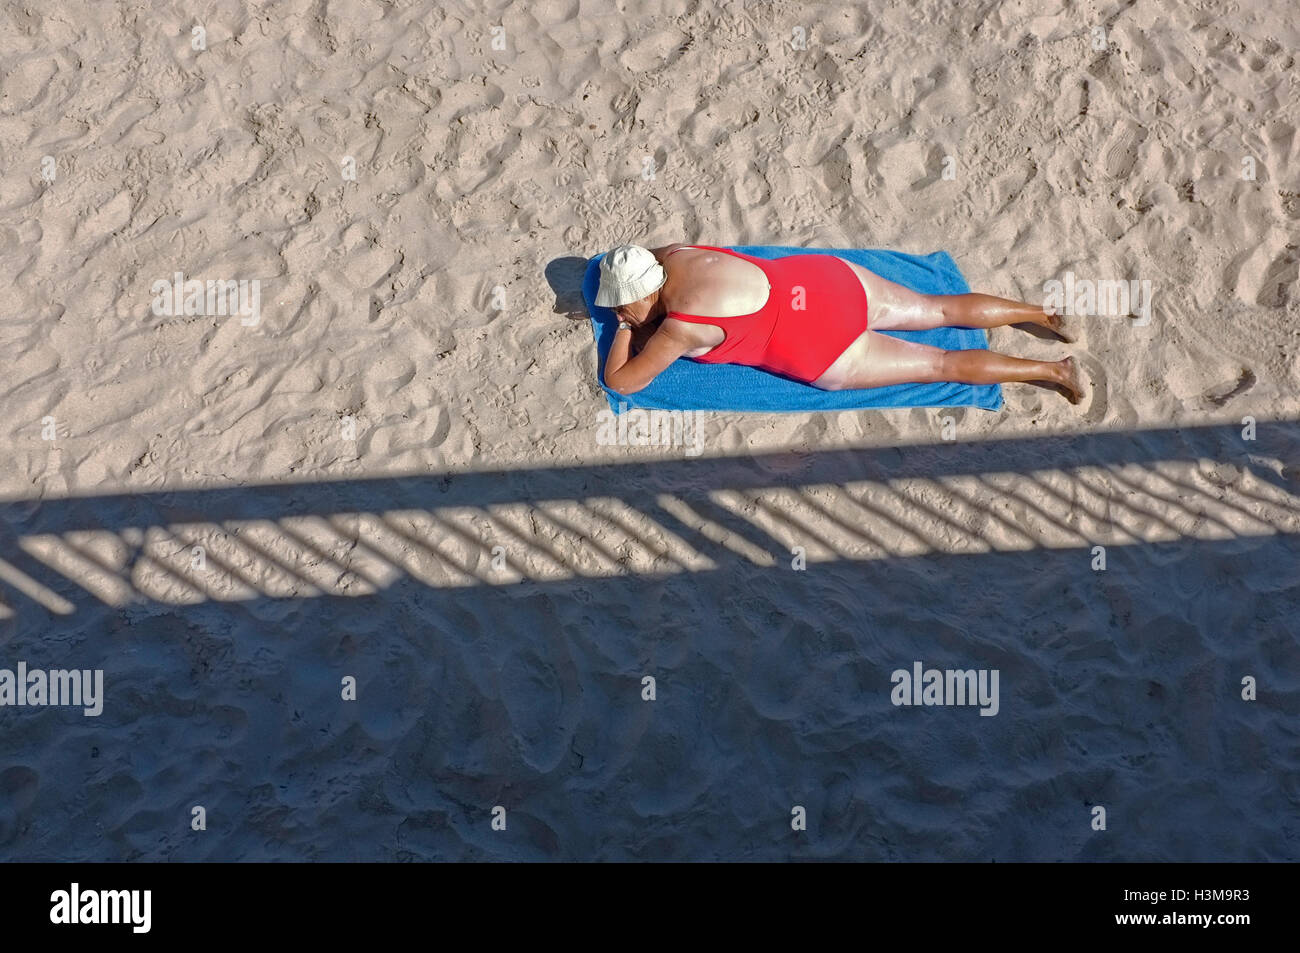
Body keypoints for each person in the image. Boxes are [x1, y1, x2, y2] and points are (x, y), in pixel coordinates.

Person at [595, 243, 1085, 402]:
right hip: (825, 281)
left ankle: (1056, 372)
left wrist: (625, 330)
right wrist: (635, 306)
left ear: (645, 288)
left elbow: (621, 382)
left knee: (941, 365)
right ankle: (1043, 313)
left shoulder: (677, 329)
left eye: (623, 304)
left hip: (819, 345)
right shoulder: (675, 253)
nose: (620, 313)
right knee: (940, 307)